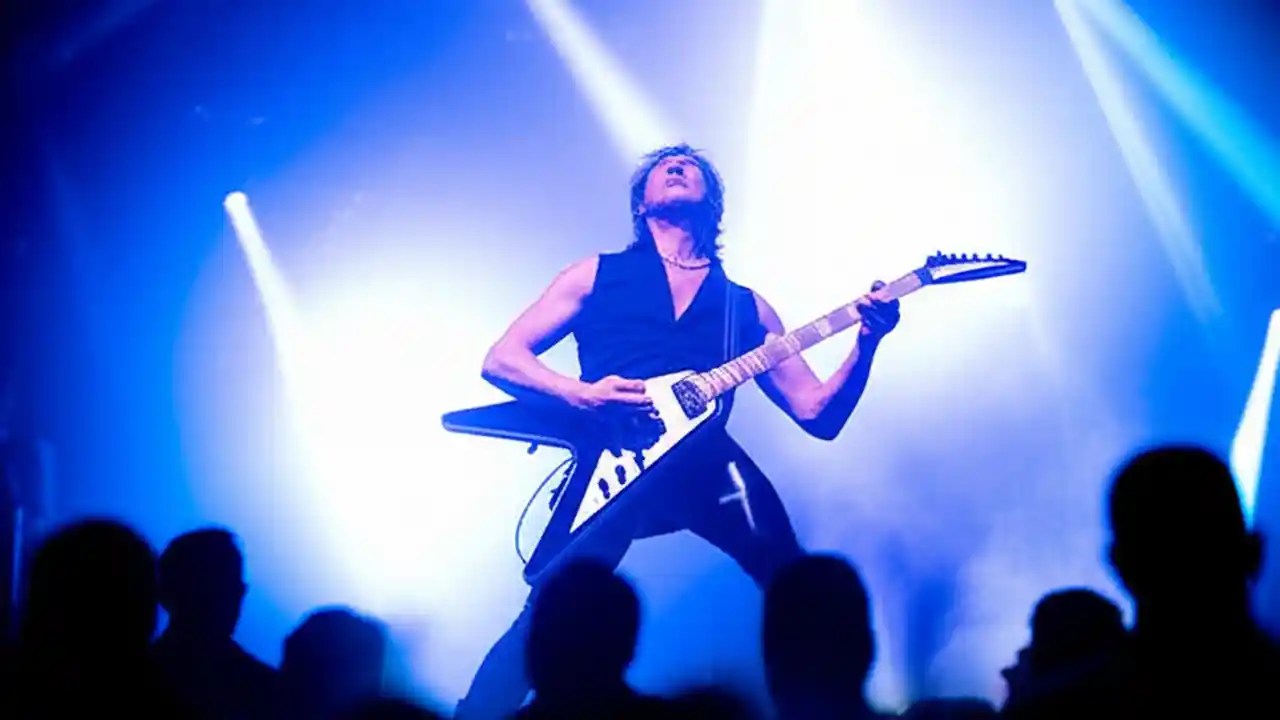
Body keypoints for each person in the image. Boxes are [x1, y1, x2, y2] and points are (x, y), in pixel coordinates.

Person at [456, 143, 901, 718]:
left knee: (796, 586)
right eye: (662, 168)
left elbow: (817, 413)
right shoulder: (595, 274)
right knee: (550, 611)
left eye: (690, 167)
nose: (676, 166)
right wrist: (581, 394)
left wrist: (867, 343)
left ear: (712, 204)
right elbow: (502, 358)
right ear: (642, 204)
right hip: (615, 461)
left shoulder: (745, 307)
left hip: (709, 465)